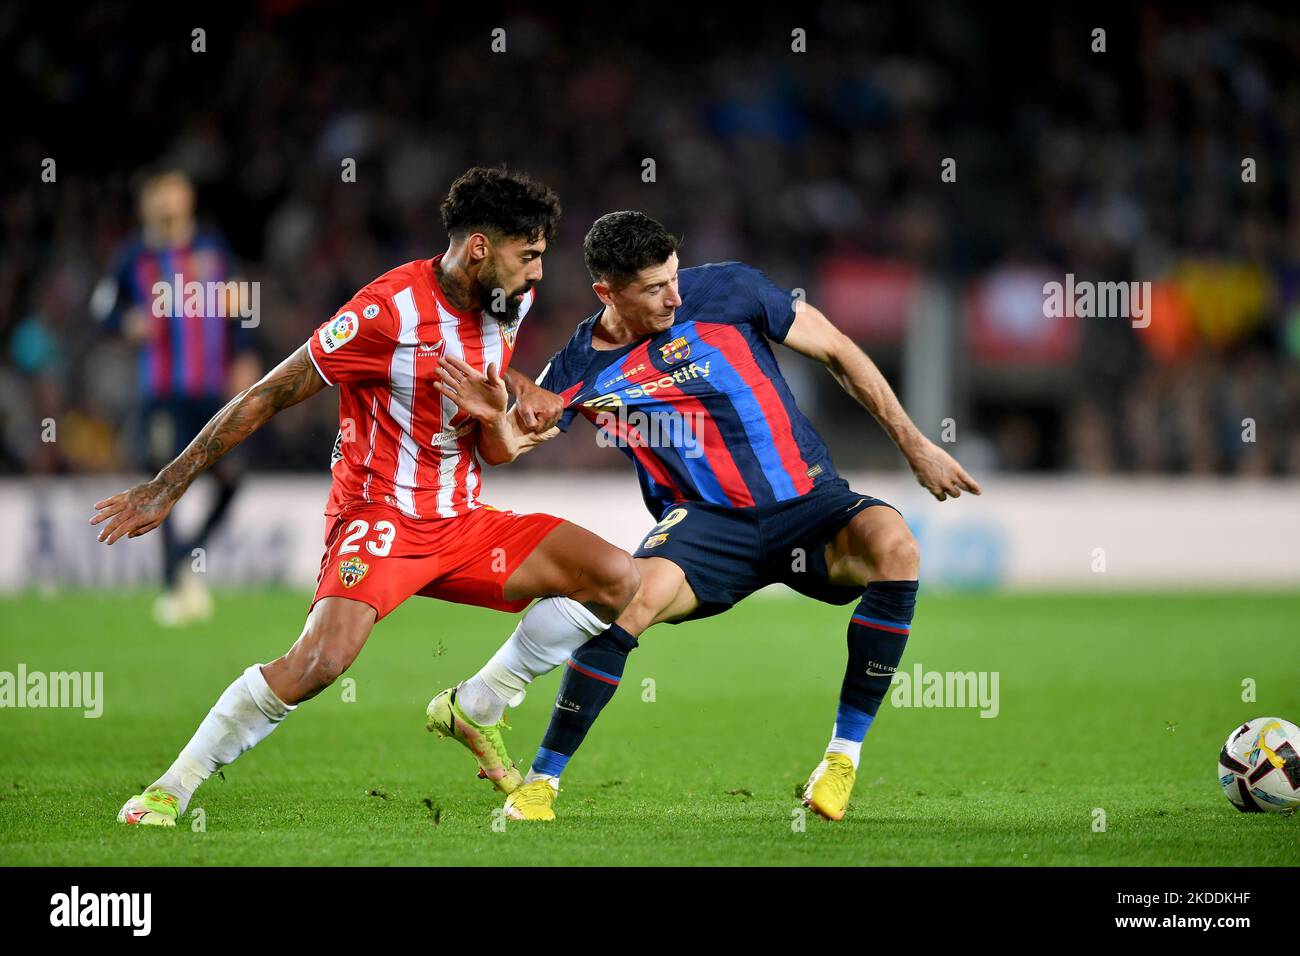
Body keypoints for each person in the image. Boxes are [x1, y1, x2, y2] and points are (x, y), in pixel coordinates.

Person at [92, 167, 640, 827]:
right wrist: (169, 482)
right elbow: (268, 392)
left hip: (462, 521)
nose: (539, 275)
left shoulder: (506, 302)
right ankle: (171, 787)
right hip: (380, 519)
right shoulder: (384, 314)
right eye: (528, 256)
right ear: (477, 250)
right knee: (321, 662)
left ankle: (480, 702)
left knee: (616, 577)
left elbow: (490, 442)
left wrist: (505, 408)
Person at [431, 210, 980, 822]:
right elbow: (512, 446)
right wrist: (497, 413)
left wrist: (915, 445)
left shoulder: (729, 289)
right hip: (707, 526)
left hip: (810, 504)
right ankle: (541, 783)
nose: (674, 297)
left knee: (896, 547)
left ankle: (841, 758)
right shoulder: (579, 368)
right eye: (654, 288)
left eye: (673, 277)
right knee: (628, 601)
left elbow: (837, 348)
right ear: (606, 292)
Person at [92, 170, 260, 625]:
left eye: (176, 193)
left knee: (232, 479)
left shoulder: (212, 249)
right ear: (147, 203)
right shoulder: (133, 258)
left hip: (213, 391)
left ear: (187, 199)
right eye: (160, 195)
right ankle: (172, 586)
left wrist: (243, 355)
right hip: (164, 393)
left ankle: (183, 559)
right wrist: (125, 322)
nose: (168, 203)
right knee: (164, 479)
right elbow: (102, 307)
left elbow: (241, 305)